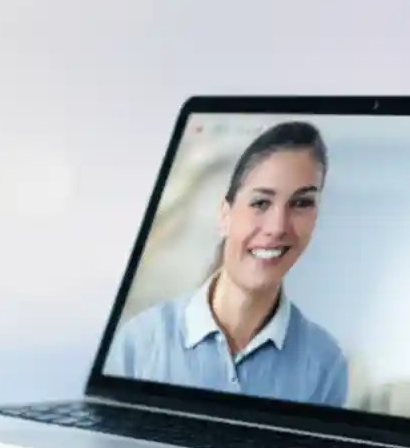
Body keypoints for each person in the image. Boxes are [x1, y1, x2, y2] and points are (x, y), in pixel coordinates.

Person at [104, 121, 349, 407]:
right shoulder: (141, 340)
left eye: (301, 203)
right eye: (260, 203)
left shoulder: (325, 365)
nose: (277, 227)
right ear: (225, 215)